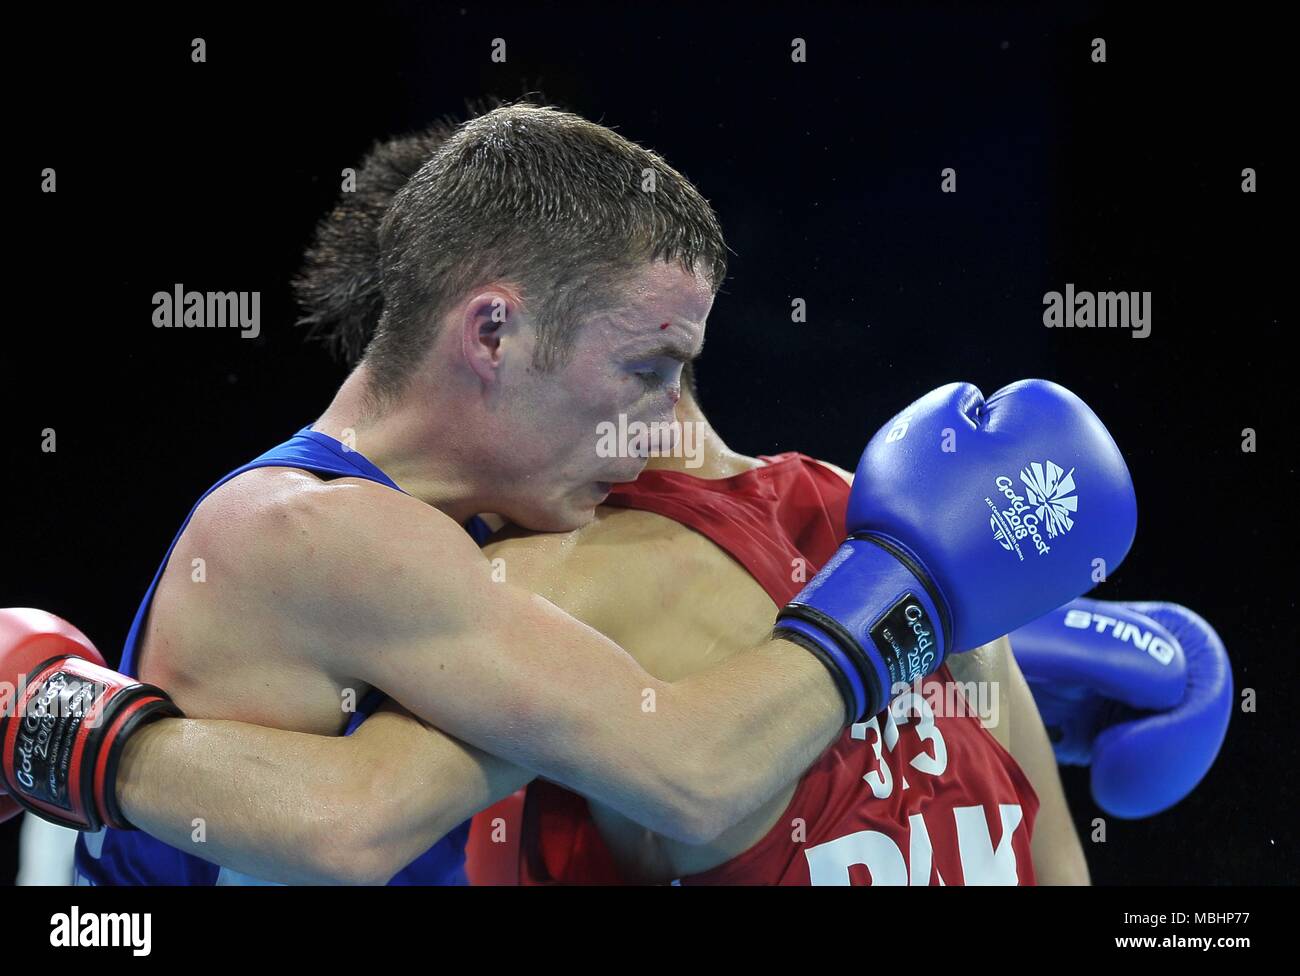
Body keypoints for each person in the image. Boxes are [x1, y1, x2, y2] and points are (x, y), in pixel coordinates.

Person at [0, 107, 1137, 884]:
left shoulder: (492, 531)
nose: (671, 427)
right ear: (492, 329)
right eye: (645, 369)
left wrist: (1010, 660)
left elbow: (581, 710)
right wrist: (916, 602)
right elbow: (677, 771)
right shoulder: (311, 528)